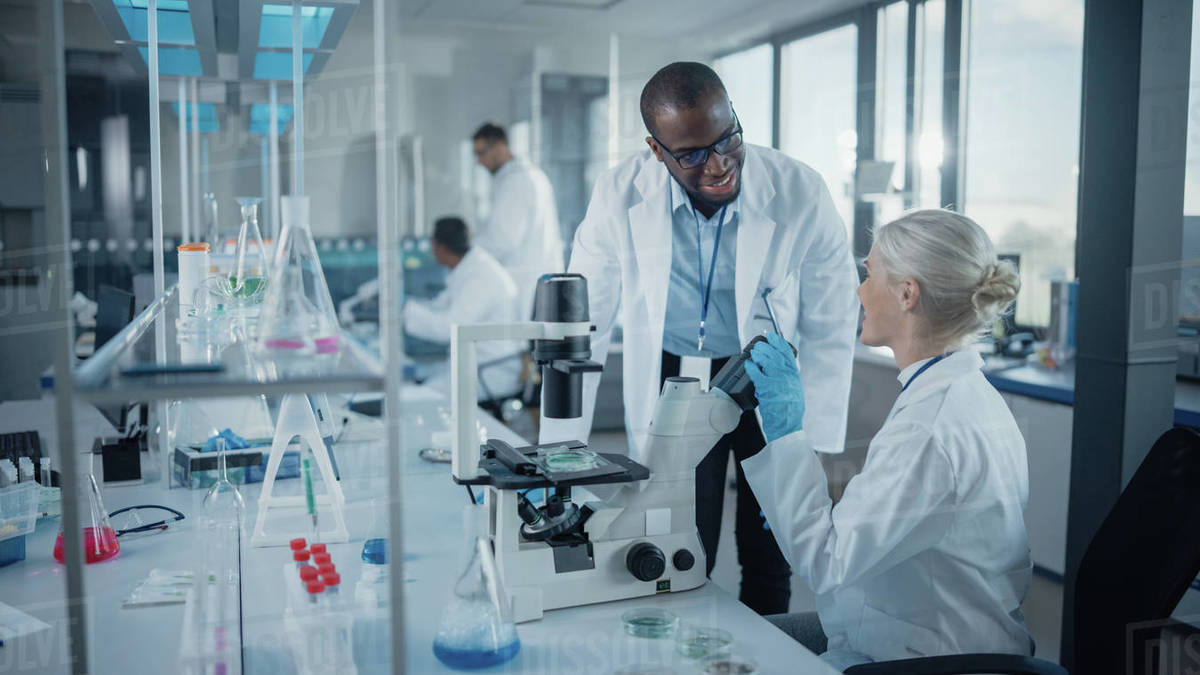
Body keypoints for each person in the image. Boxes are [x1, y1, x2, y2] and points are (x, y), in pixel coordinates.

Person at [538, 62, 860, 616]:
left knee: (771, 544)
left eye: (727, 139)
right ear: (656, 150)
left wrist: (819, 438)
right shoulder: (618, 194)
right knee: (682, 534)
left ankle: (769, 648)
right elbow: (583, 322)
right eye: (691, 155)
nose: (718, 165)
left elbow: (831, 318)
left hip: (764, 377)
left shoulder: (800, 190)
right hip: (676, 376)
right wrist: (558, 450)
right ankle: (696, 646)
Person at [741, 209, 1032, 669]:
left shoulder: (929, 427)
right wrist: (796, 496)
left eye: (869, 274)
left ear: (907, 294)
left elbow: (827, 563)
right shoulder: (962, 391)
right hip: (934, 627)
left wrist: (788, 437)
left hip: (928, 657)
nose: (859, 291)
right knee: (748, 637)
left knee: (731, 651)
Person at [403, 216, 524, 402]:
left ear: (440, 246)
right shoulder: (470, 268)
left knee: (414, 399)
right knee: (415, 389)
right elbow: (440, 306)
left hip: (489, 372)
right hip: (477, 366)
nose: (432, 251)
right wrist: (407, 305)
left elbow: (449, 328)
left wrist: (404, 309)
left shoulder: (481, 278)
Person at [472, 123, 564, 315]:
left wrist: (466, 254)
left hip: (524, 284)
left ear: (500, 146)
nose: (479, 162)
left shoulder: (516, 182)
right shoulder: (529, 174)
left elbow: (502, 240)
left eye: (481, 153)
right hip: (536, 281)